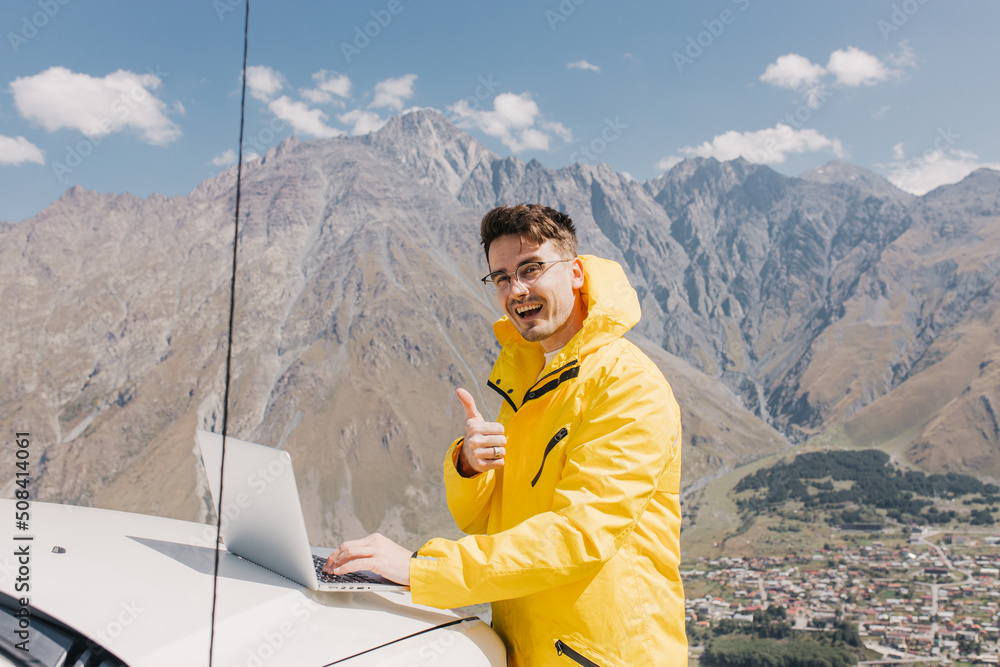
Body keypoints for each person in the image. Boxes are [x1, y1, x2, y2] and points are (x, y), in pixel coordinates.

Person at [326, 204, 686, 666]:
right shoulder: (533, 378)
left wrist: (421, 570)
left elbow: (579, 535)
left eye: (531, 269)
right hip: (527, 648)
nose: (517, 290)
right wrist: (470, 465)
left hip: (605, 655)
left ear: (575, 273)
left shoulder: (626, 382)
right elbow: (480, 521)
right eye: (500, 277)